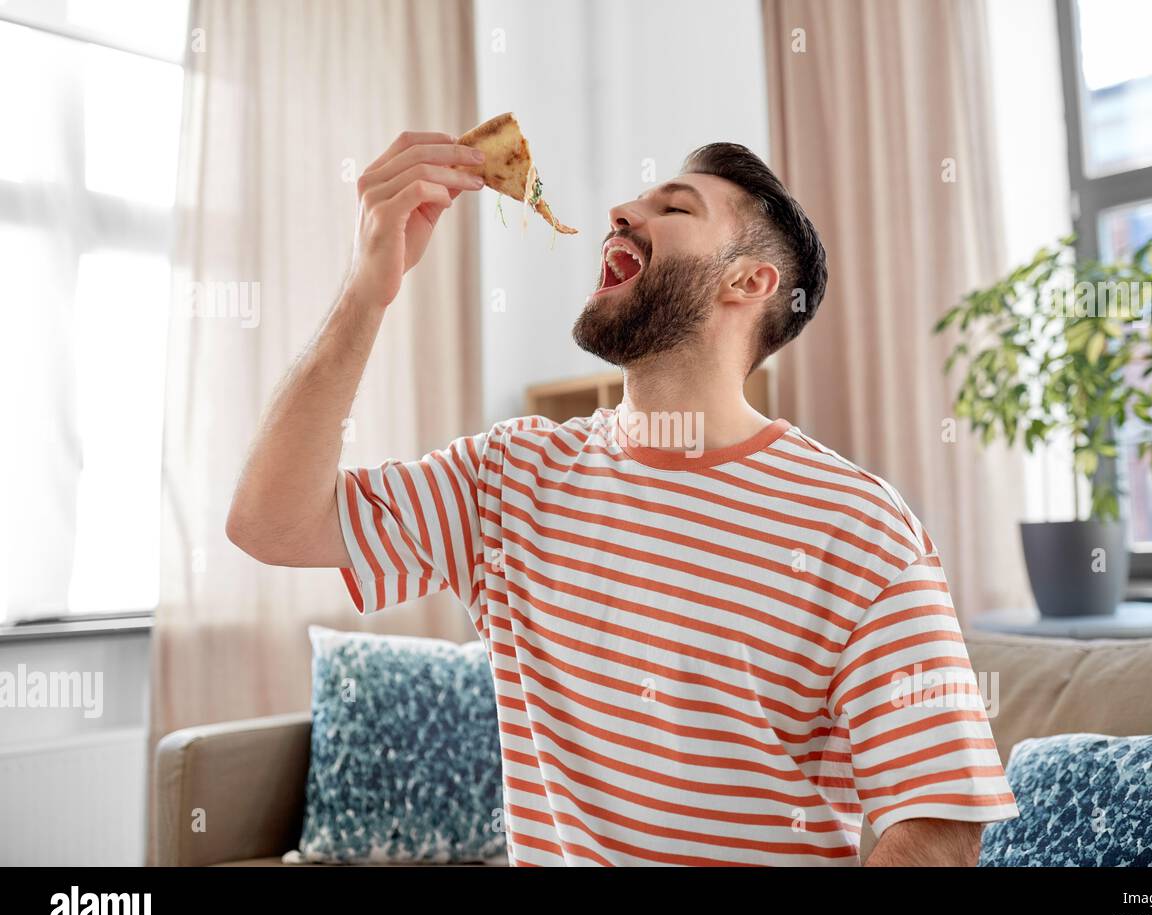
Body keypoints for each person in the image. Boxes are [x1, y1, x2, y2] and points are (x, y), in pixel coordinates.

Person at [226, 130, 1019, 866]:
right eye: (639, 199)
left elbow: (938, 819)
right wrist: (368, 288)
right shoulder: (510, 477)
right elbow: (272, 523)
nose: (623, 211)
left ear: (749, 279)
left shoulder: (859, 527)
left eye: (674, 207)